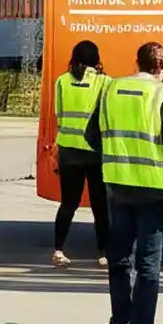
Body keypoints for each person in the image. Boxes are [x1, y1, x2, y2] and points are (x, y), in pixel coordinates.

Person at [83, 41, 163, 324]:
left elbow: (92, 136)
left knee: (118, 257)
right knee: (148, 264)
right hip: (152, 190)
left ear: (136, 63)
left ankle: (119, 323)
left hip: (117, 186)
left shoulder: (110, 91)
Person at [52, 40, 111, 269]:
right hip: (96, 151)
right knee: (100, 205)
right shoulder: (104, 82)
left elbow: (59, 113)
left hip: (68, 150)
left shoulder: (62, 81)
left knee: (68, 203)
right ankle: (103, 253)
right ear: (96, 59)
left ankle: (58, 249)